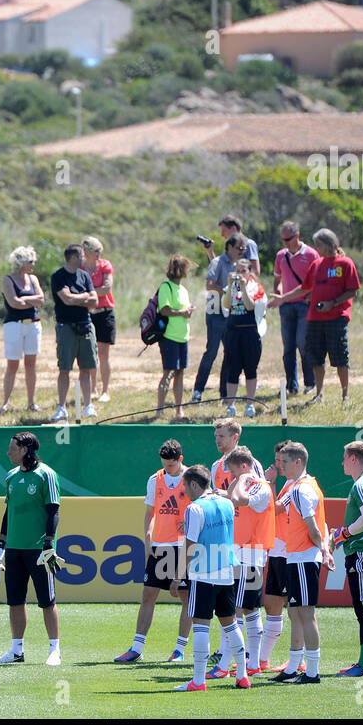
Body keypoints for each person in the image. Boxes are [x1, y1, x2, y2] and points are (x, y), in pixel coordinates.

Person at [172, 465, 251, 691]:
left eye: (186, 486)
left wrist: (178, 577)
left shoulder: (195, 508)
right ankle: (242, 676)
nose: (185, 491)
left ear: (195, 484)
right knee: (230, 624)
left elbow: (190, 544)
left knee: (201, 625)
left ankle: (198, 681)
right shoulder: (226, 503)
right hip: (227, 570)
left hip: (203, 572)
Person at [114, 439, 193, 663]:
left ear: (180, 459)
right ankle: (136, 648)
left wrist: (189, 525)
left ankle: (179, 650)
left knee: (186, 598)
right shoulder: (154, 480)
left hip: (184, 547)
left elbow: (200, 508)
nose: (167, 468)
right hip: (160, 546)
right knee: (148, 595)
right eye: (164, 464)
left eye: (171, 464)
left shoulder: (191, 479)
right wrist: (148, 538)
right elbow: (150, 513)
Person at [0, 431, 63, 666]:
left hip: (39, 550)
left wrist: (48, 544)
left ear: (24, 450)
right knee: (15, 600)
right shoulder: (11, 476)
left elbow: (53, 510)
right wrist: (1, 543)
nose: (8, 452)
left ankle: (54, 650)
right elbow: (7, 512)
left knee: (47, 600)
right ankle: (16, 650)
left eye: (12, 448)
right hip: (14, 549)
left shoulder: (46, 474)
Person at [270, 228, 358, 403]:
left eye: (319, 245)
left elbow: (352, 290)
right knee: (316, 358)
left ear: (329, 244)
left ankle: (345, 395)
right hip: (315, 318)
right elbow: (304, 288)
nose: (316, 249)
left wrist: (332, 303)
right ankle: (319, 394)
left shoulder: (345, 264)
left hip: (337, 318)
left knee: (341, 357)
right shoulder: (316, 265)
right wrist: (283, 298)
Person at [271, 441, 331, 683]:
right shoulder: (296, 486)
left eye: (284, 462)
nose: (280, 466)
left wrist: (324, 551)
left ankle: (313, 671)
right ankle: (293, 667)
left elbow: (314, 527)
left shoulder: (302, 489)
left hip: (304, 557)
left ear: (298, 462)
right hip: (295, 556)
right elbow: (275, 509)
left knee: (306, 613)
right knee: (294, 611)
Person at [332, 440, 363, 677]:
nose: (342, 462)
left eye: (344, 457)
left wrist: (345, 533)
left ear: (353, 459)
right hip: (361, 551)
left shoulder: (362, 485)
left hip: (362, 552)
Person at [224, 446, 274, 678]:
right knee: (248, 609)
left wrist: (242, 478)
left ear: (244, 467)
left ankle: (243, 661)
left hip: (250, 554)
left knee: (242, 609)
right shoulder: (249, 484)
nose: (233, 477)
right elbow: (227, 495)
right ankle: (249, 661)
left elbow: (237, 499)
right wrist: (239, 479)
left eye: (235, 472)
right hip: (243, 553)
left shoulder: (261, 488)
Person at [258, 439, 304, 675]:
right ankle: (262, 659)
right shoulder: (288, 484)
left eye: (282, 461)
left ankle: (300, 659)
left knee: (296, 608)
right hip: (277, 550)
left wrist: (269, 483)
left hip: (290, 552)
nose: (278, 465)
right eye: (277, 460)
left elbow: (273, 508)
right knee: (272, 604)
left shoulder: (296, 485)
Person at [191, 234, 246, 404]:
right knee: (212, 352)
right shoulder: (218, 262)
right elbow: (209, 285)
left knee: (229, 353)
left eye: (244, 249)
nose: (242, 251)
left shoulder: (238, 265)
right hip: (216, 312)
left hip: (231, 313)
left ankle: (224, 393)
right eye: (239, 248)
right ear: (229, 247)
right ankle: (198, 391)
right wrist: (229, 291)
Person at [50, 243, 99, 423]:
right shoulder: (58, 277)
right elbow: (66, 299)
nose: (85, 259)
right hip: (66, 327)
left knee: (86, 368)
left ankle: (88, 405)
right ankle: (62, 407)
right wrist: (84, 298)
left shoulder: (85, 276)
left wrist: (78, 298)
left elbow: (94, 300)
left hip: (85, 325)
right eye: (82, 256)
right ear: (73, 257)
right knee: (65, 369)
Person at [273, 221, 317, 395]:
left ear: (297, 236)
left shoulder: (312, 255)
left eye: (288, 239)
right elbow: (277, 280)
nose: (285, 243)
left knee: (303, 343)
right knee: (288, 347)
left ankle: (310, 383)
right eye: (283, 239)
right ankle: (292, 386)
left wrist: (311, 297)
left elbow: (318, 281)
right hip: (286, 307)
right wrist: (278, 294)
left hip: (304, 306)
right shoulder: (280, 256)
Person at [220, 258, 267, 418]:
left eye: (243, 271)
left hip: (250, 333)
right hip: (233, 332)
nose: (239, 274)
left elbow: (249, 306)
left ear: (250, 271)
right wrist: (229, 284)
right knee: (232, 369)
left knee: (250, 369)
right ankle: (231, 405)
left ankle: (249, 404)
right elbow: (226, 305)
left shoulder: (256, 287)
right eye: (237, 271)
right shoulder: (230, 287)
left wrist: (244, 287)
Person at [0, 245, 44, 414]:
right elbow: (14, 303)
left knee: (31, 365)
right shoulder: (7, 280)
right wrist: (29, 300)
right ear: (21, 262)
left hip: (33, 324)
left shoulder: (33, 279)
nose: (33, 265)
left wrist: (24, 299)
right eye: (30, 262)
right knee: (12, 364)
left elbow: (41, 300)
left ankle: (31, 402)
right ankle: (5, 402)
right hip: (14, 325)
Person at [155, 254, 194, 421]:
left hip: (182, 336)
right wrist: (182, 313)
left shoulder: (183, 290)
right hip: (169, 336)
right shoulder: (166, 287)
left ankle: (179, 410)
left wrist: (188, 312)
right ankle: (160, 409)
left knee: (180, 373)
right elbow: (164, 310)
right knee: (169, 373)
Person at [81, 236, 116, 402]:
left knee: (103, 353)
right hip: (87, 313)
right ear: (87, 252)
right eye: (96, 252)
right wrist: (95, 291)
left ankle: (105, 390)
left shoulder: (105, 265)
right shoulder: (80, 267)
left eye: (100, 252)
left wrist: (88, 293)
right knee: (90, 352)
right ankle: (92, 387)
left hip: (104, 312)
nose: (99, 255)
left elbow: (107, 288)